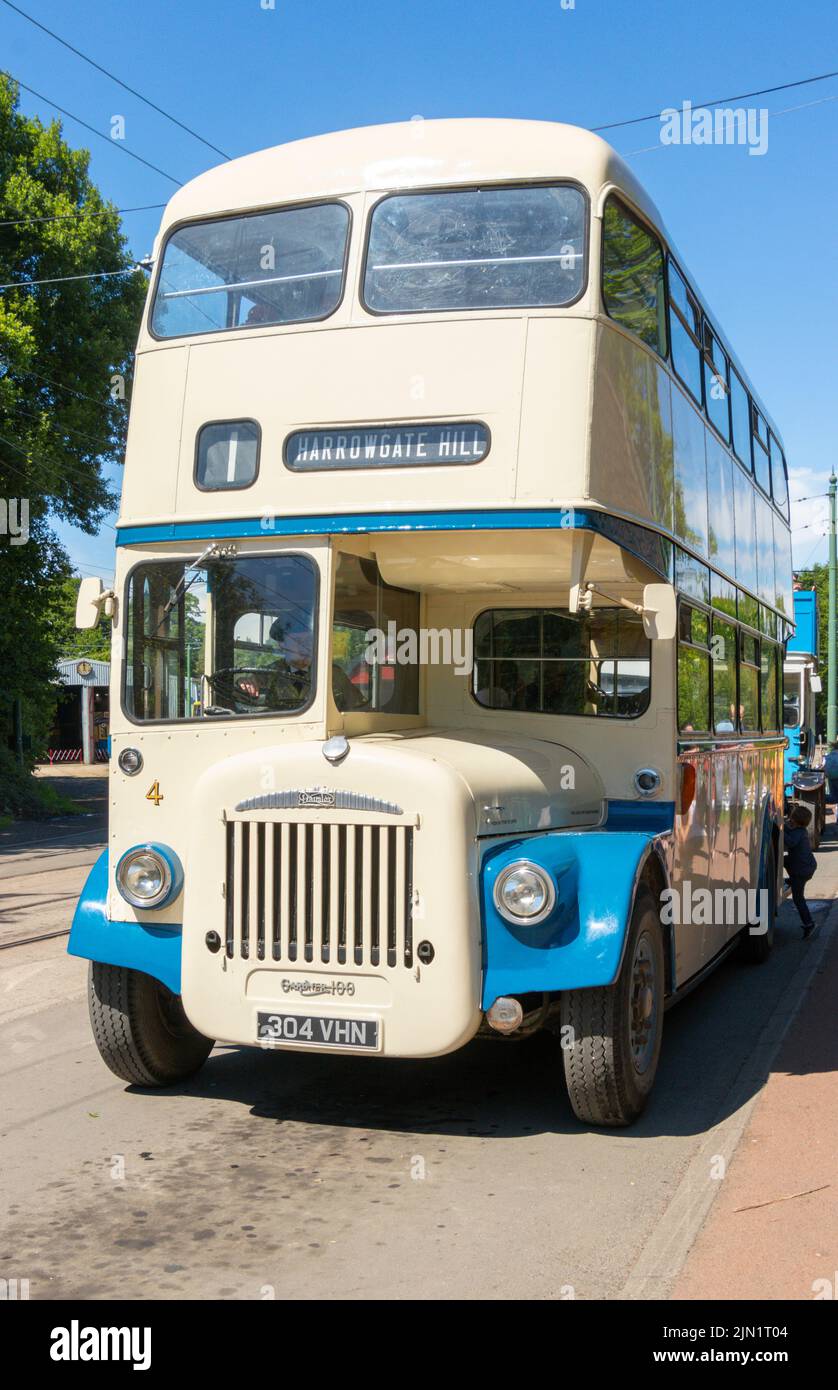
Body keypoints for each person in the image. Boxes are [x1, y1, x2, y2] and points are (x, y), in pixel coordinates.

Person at [783, 804, 817, 938]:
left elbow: (790, 842)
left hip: (801, 871)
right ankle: (790, 881)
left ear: (796, 821)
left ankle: (809, 923)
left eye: (791, 818)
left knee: (798, 899)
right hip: (804, 867)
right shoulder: (799, 830)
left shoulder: (799, 833)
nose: (789, 820)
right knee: (785, 860)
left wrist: (781, 831)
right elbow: (789, 830)